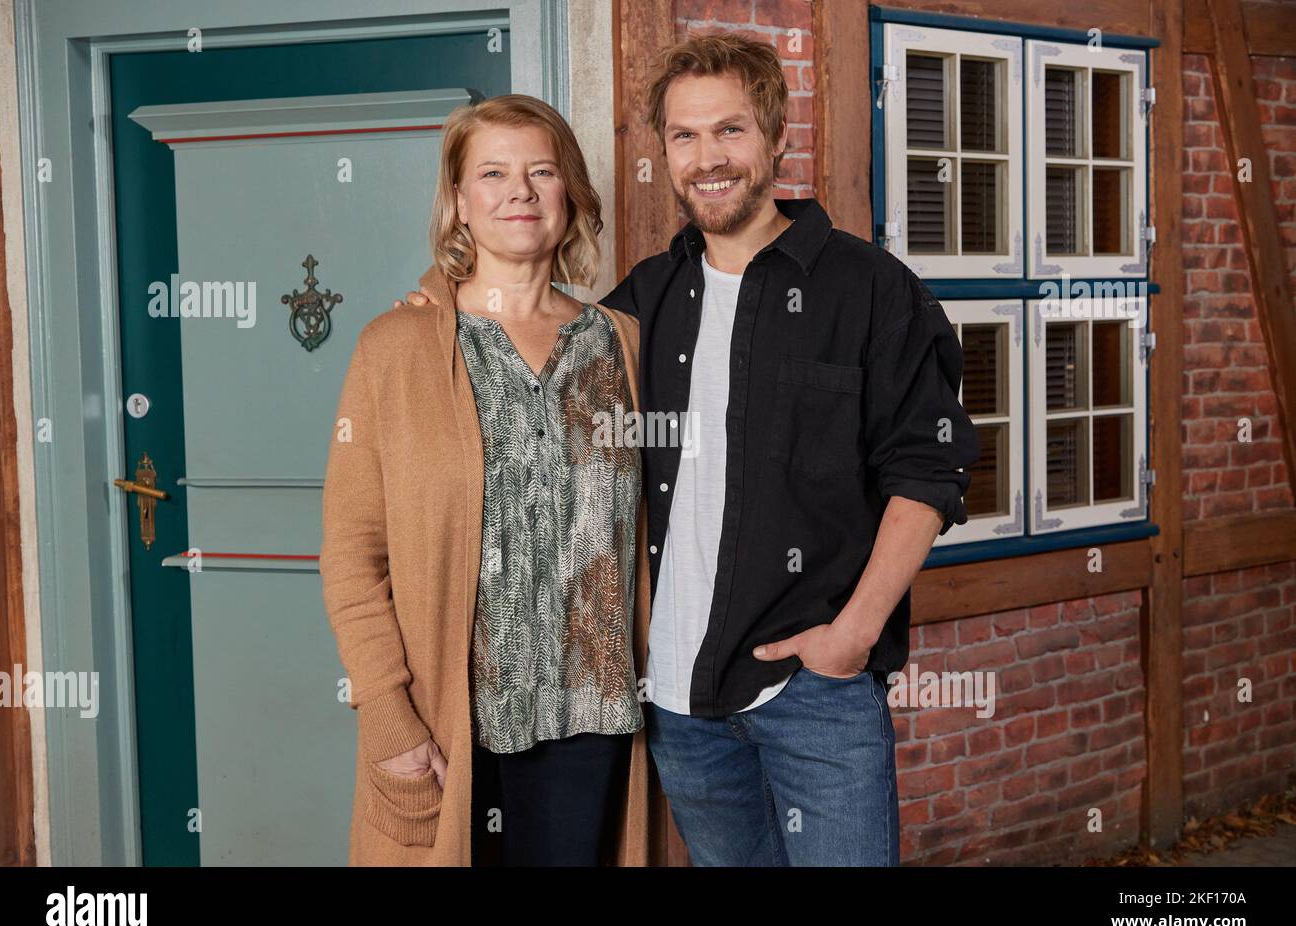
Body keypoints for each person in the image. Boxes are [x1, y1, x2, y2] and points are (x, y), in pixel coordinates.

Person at [401, 33, 979, 867]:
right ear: (665, 151)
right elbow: (527, 335)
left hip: (815, 693)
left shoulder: (870, 289)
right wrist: (434, 306)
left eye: (730, 130)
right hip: (678, 702)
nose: (707, 159)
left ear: (775, 137)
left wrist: (851, 636)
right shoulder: (645, 300)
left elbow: (928, 469)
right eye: (684, 135)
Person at [320, 93, 654, 866]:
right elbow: (351, 551)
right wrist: (388, 713)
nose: (520, 192)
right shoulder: (396, 348)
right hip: (451, 725)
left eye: (543, 171)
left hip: (593, 721)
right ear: (459, 201)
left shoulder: (623, 344)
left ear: (570, 193)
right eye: (493, 173)